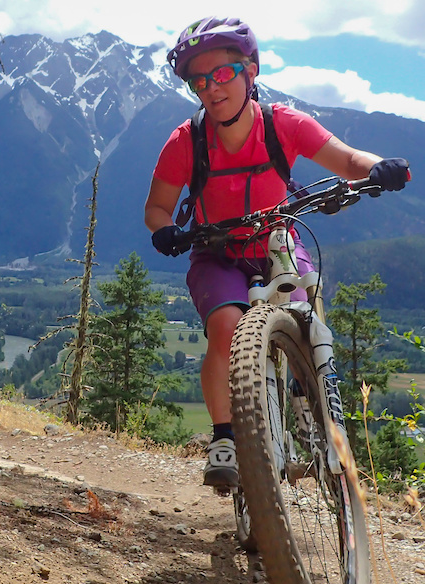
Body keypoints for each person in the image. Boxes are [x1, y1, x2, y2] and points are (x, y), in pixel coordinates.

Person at [144, 17, 409, 490]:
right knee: (225, 327)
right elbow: (157, 208)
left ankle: (308, 400)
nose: (211, 87)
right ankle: (225, 436)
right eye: (198, 80)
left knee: (306, 310)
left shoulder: (281, 124)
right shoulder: (187, 141)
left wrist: (378, 168)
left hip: (277, 242)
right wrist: (165, 230)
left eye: (222, 74)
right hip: (216, 251)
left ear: (250, 71)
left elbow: (346, 160)